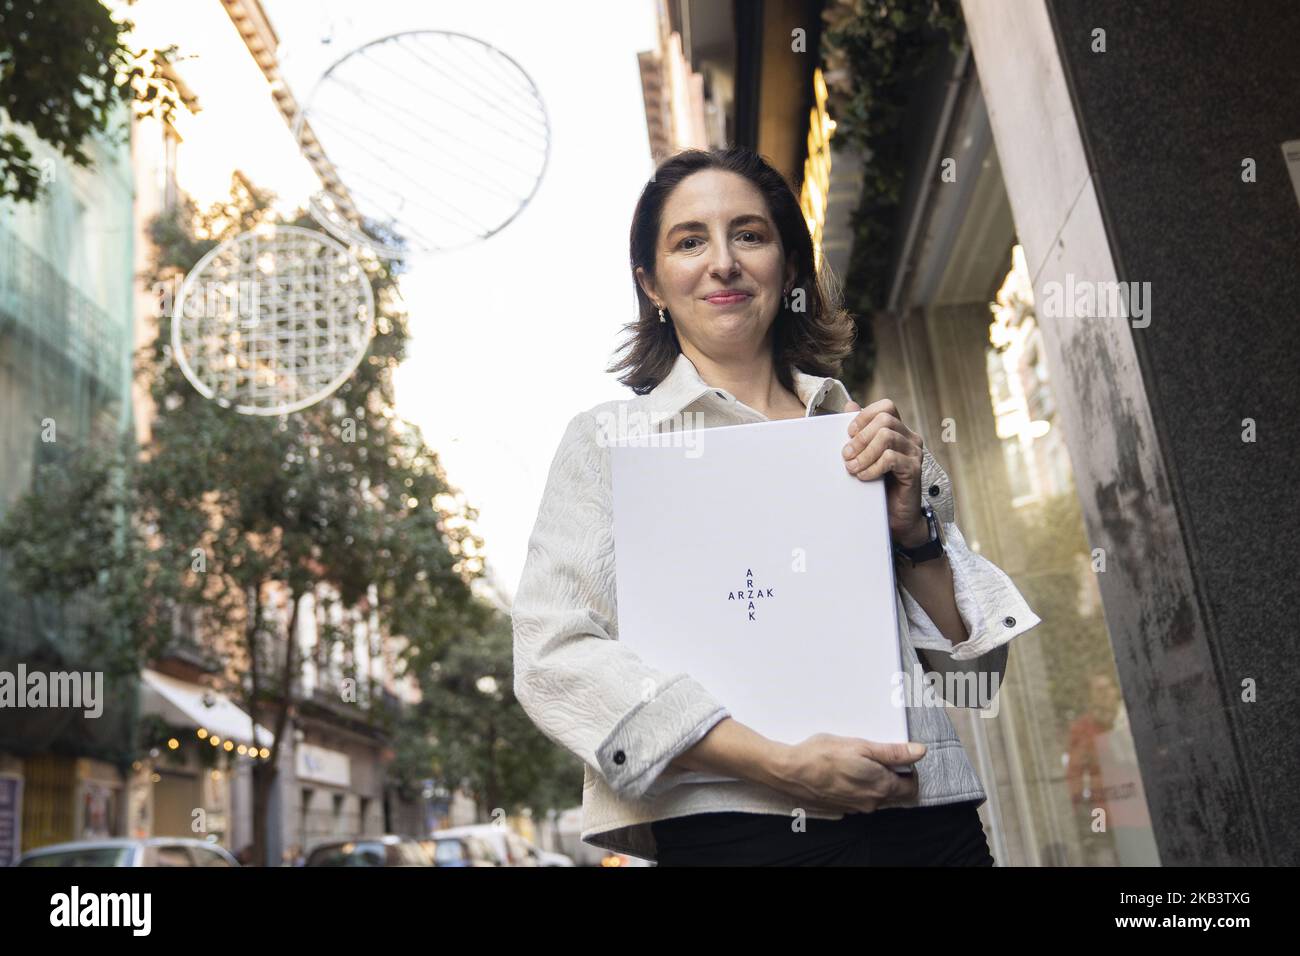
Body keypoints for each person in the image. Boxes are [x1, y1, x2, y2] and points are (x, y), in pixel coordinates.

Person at [512, 146, 1042, 865]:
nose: (722, 262)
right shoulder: (610, 445)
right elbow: (553, 655)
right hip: (731, 830)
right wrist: (778, 764)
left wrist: (913, 534)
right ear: (653, 283)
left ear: (788, 267)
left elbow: (973, 680)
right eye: (689, 241)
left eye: (750, 235)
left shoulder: (864, 432)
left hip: (922, 816)